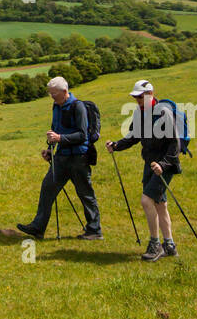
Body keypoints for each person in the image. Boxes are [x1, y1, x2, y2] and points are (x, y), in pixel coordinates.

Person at [17, 75, 103, 240]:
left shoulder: (78, 107)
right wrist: (50, 148)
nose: (52, 97)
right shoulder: (56, 106)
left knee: (85, 194)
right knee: (47, 188)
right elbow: (54, 129)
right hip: (61, 158)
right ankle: (38, 228)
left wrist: (60, 138)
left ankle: (94, 230)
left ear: (65, 91)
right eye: (50, 94)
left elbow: (83, 135)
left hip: (79, 157)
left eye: (54, 94)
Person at [105, 80, 180, 261]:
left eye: (141, 96)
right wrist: (116, 145)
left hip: (165, 166)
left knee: (147, 200)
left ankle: (155, 244)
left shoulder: (163, 112)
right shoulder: (139, 113)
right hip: (149, 164)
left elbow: (174, 143)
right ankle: (169, 245)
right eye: (135, 97)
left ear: (151, 94)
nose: (138, 100)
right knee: (160, 205)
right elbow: (133, 136)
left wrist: (162, 165)